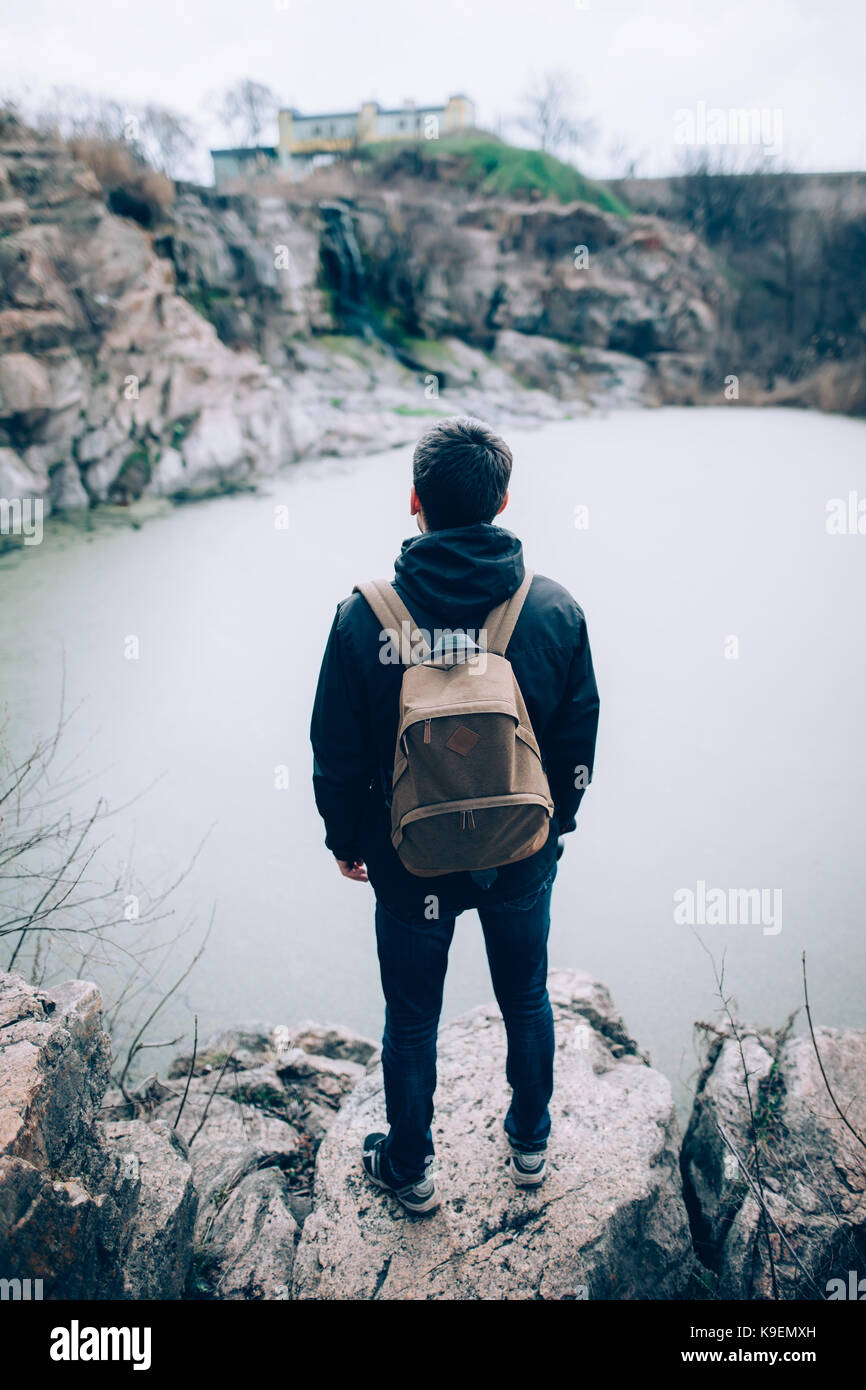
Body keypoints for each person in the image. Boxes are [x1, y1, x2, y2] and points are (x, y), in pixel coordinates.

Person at [310, 416, 600, 1215]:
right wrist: (554, 826)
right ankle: (531, 1143)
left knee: (411, 1021)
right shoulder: (551, 610)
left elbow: (334, 751)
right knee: (528, 998)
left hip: (410, 859)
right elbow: (578, 737)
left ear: (414, 502)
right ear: (502, 501)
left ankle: (409, 1167)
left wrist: (347, 840)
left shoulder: (364, 618)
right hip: (520, 851)